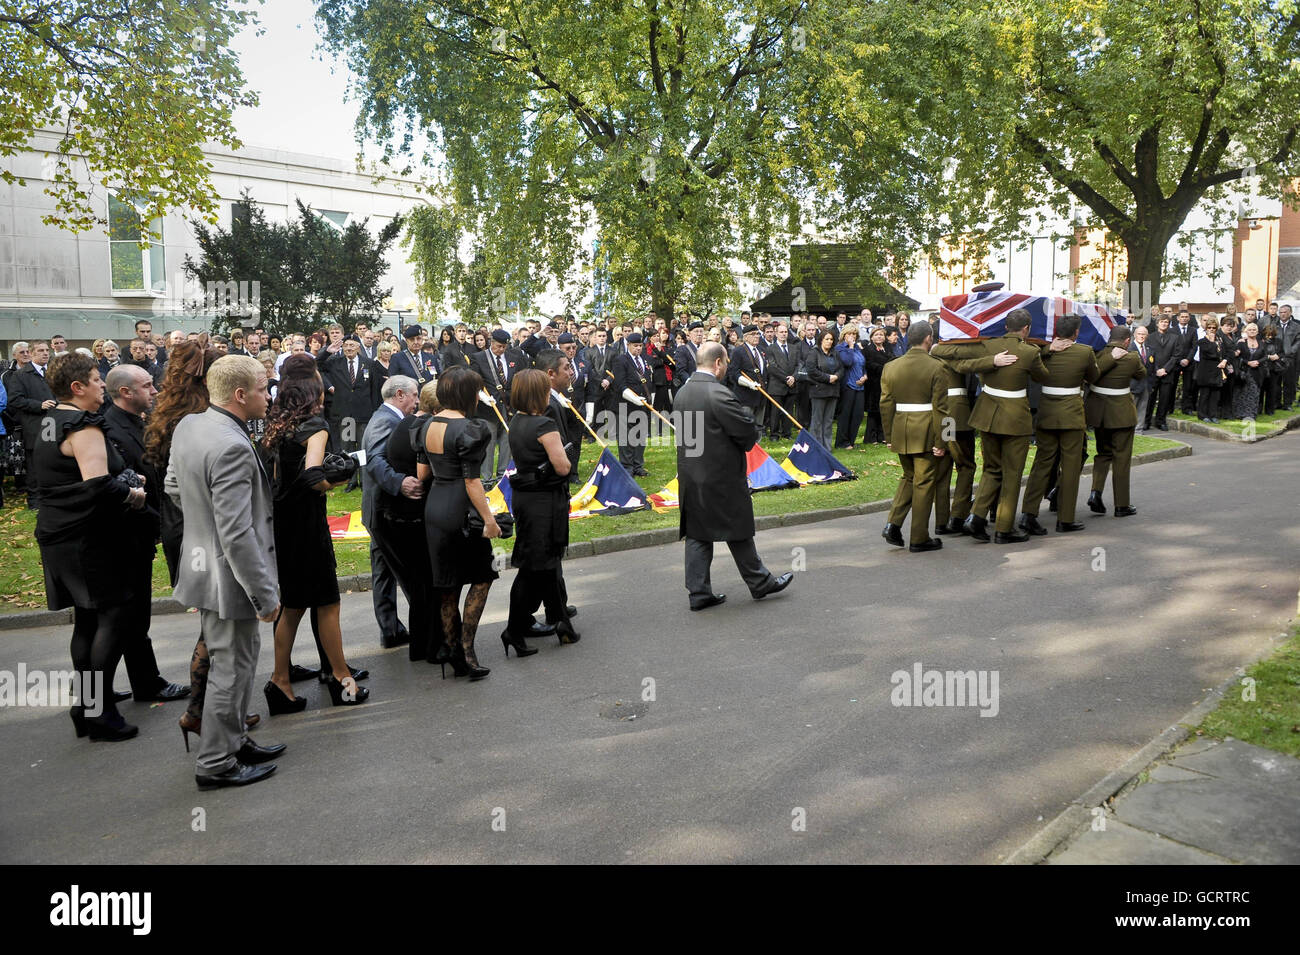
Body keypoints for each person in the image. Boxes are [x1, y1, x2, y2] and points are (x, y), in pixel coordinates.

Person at [164, 354, 284, 787]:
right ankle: (215, 763)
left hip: (206, 567)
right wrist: (266, 596)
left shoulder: (190, 425)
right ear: (240, 395)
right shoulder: (230, 444)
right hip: (229, 576)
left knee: (240, 662)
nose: (269, 396)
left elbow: (173, 487)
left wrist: (202, 524)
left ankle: (234, 741)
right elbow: (237, 534)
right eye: (262, 388)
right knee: (230, 670)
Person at [34, 353, 151, 741]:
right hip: (88, 536)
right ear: (77, 387)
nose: (102, 384)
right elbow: (98, 484)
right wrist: (133, 494)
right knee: (112, 617)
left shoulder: (51, 420)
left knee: (87, 620)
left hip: (58, 532)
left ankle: (86, 706)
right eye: (96, 379)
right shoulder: (81, 424)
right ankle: (100, 713)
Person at [261, 358, 370, 713]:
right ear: (314, 386)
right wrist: (335, 479)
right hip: (305, 522)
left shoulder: (278, 422)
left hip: (283, 519)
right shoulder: (314, 424)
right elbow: (311, 477)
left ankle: (280, 681)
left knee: (292, 604)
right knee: (327, 601)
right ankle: (341, 681)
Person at [673, 342, 793, 611]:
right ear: (717, 363)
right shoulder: (718, 393)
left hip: (691, 474)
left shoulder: (682, 392)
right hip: (721, 475)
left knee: (697, 533)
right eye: (726, 362)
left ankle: (699, 591)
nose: (726, 368)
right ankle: (760, 582)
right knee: (737, 528)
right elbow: (746, 433)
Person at [101, 364, 190, 703]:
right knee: (109, 626)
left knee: (130, 620)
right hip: (119, 537)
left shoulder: (134, 424)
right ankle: (93, 703)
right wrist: (161, 521)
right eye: (148, 385)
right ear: (126, 392)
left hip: (135, 535)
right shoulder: (109, 429)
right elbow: (119, 488)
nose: (155, 391)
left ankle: (137, 685)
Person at [931, 309, 1048, 544]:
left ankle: (967, 517)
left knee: (982, 468)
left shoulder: (987, 345)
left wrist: (989, 360)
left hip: (973, 415)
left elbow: (948, 354)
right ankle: (997, 526)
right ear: (1026, 329)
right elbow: (1042, 376)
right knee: (993, 470)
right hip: (988, 418)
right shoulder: (1028, 352)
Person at [419, 366, 501, 680]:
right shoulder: (471, 428)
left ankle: (453, 650)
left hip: (435, 507)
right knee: (482, 577)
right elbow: (471, 483)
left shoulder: (426, 425)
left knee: (447, 584)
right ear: (468, 394)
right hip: (461, 509)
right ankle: (466, 650)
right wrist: (490, 520)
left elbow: (421, 475)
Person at [502, 369, 578, 655]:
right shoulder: (543, 424)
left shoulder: (517, 420)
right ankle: (514, 628)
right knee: (538, 565)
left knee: (543, 565)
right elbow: (563, 467)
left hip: (525, 497)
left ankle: (560, 623)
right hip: (544, 501)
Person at [364, 375, 433, 659]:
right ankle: (418, 628)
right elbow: (375, 460)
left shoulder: (385, 417)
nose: (417, 401)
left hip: (378, 508)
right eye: (414, 395)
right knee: (404, 571)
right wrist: (400, 482)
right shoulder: (385, 420)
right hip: (383, 507)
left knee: (383, 570)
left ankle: (391, 630)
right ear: (400, 394)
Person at [1017, 314, 1099, 534]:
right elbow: (1094, 376)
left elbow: (1033, 370)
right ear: (1075, 333)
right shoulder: (1084, 352)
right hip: (1071, 415)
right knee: (1070, 467)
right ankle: (1065, 518)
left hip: (1046, 413)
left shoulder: (1042, 352)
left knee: (1042, 464)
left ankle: (1028, 513)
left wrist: (1046, 350)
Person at [879, 323, 949, 552]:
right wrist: (944, 440)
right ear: (928, 339)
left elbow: (885, 404)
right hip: (926, 431)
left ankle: (892, 524)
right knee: (924, 482)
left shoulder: (891, 366)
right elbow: (942, 409)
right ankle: (919, 538)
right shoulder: (937, 367)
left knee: (910, 477)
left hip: (901, 429)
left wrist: (889, 436)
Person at [1085, 325, 1146, 517]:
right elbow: (1142, 374)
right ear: (1127, 341)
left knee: (1103, 454)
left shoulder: (1096, 356)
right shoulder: (1132, 357)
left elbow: (1092, 375)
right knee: (1121, 458)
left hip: (1099, 413)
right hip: (1121, 414)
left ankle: (1096, 492)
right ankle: (1121, 505)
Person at [471, 329, 525, 482]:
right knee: (488, 443)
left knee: (507, 441)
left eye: (504, 346)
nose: (501, 349)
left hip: (509, 406)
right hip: (487, 408)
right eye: (498, 346)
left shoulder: (513, 357)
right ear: (492, 343)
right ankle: (487, 478)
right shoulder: (479, 358)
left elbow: (518, 379)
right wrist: (481, 396)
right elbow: (474, 381)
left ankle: (503, 475)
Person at [8, 340, 56, 508]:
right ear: (32, 353)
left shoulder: (53, 371)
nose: (45, 353)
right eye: (40, 350)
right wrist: (38, 405)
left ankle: (52, 496)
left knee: (53, 459)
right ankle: (34, 500)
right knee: (35, 463)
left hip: (55, 422)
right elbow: (14, 400)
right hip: (35, 424)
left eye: (47, 350)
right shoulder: (21, 375)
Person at [610, 331, 652, 475]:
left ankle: (638, 466)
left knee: (640, 438)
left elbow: (648, 381)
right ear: (628, 345)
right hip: (625, 405)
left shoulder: (644, 359)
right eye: (635, 346)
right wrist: (635, 399)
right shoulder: (621, 360)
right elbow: (620, 385)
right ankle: (627, 468)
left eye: (640, 345)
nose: (638, 348)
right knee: (626, 439)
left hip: (642, 405)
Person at [804, 328, 843, 450]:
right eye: (827, 339)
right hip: (819, 391)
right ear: (821, 340)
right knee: (817, 421)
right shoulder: (814, 352)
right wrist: (827, 378)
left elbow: (841, 368)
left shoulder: (835, 353)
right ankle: (816, 447)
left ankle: (827, 447)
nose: (829, 341)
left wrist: (836, 376)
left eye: (831, 339)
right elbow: (811, 370)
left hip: (833, 391)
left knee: (828, 421)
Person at [834, 327, 867, 448]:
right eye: (849, 334)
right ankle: (842, 442)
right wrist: (851, 347)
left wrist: (865, 376)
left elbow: (863, 364)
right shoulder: (840, 349)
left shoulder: (858, 349)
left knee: (858, 414)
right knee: (845, 414)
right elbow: (847, 362)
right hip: (848, 385)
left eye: (854, 334)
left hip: (860, 386)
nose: (852, 336)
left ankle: (851, 441)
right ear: (844, 335)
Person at [764, 322, 798, 439]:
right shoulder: (770, 349)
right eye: (781, 332)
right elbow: (772, 367)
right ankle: (774, 434)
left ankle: (786, 433)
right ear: (776, 334)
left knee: (788, 410)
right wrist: (786, 379)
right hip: (777, 385)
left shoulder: (794, 348)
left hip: (792, 385)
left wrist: (794, 377)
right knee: (775, 411)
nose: (784, 334)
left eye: (785, 332)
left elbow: (799, 365)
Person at [1192, 317, 1228, 423]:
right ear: (1206, 328)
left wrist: (1225, 360)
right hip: (1205, 372)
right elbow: (1211, 353)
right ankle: (1202, 415)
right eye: (1209, 327)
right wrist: (1212, 341)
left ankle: (1213, 415)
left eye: (1214, 328)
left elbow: (1226, 353)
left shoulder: (1220, 341)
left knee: (1215, 395)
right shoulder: (1202, 342)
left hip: (1217, 371)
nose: (1212, 329)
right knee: (1205, 394)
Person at [1148, 312, 1179, 430]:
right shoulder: (1150, 337)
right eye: (1162, 322)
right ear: (1157, 324)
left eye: (1166, 322)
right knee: (1151, 398)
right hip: (1153, 372)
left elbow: (1176, 355)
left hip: (1167, 373)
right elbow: (1148, 354)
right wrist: (1156, 369)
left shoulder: (1175, 338)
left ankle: (1161, 421)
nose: (1164, 324)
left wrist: (1165, 369)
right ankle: (1147, 421)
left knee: (1164, 399)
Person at [862, 327, 892, 443]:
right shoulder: (868, 350)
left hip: (885, 383)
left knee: (882, 410)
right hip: (873, 384)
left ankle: (882, 436)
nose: (879, 337)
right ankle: (871, 437)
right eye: (876, 335)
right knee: (873, 411)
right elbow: (869, 364)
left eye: (881, 335)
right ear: (872, 337)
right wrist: (884, 368)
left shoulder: (887, 349)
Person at [1234, 322, 1266, 420]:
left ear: (1257, 332)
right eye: (1250, 330)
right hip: (1244, 372)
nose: (1252, 331)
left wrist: (1258, 362)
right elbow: (1237, 357)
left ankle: (1251, 414)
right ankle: (1239, 414)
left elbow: (1265, 356)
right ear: (1246, 331)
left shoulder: (1261, 342)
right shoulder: (1241, 342)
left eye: (1254, 330)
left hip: (1256, 373)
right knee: (1241, 393)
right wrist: (1248, 362)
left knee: (1254, 393)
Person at [1129, 324, 1157, 431]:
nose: (1141, 336)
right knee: (1131, 409)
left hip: (1146, 385)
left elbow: (1153, 368)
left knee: (1142, 408)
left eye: (1144, 334)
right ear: (1135, 335)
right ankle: (1129, 429)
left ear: (1147, 336)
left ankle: (1139, 430)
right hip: (1133, 384)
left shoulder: (1150, 349)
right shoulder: (1129, 348)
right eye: (1139, 334)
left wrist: (1151, 384)